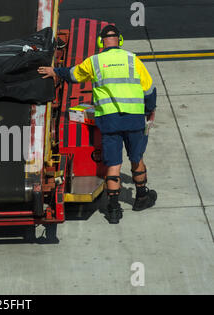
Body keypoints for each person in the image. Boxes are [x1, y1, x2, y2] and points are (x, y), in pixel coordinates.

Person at [38, 25, 157, 224]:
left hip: (110, 121)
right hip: (135, 119)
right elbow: (149, 90)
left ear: (101, 42)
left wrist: (54, 71)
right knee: (137, 158)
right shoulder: (132, 59)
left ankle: (113, 209)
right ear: (119, 40)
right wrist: (150, 110)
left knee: (114, 164)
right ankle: (142, 197)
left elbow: (73, 75)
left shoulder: (95, 61)